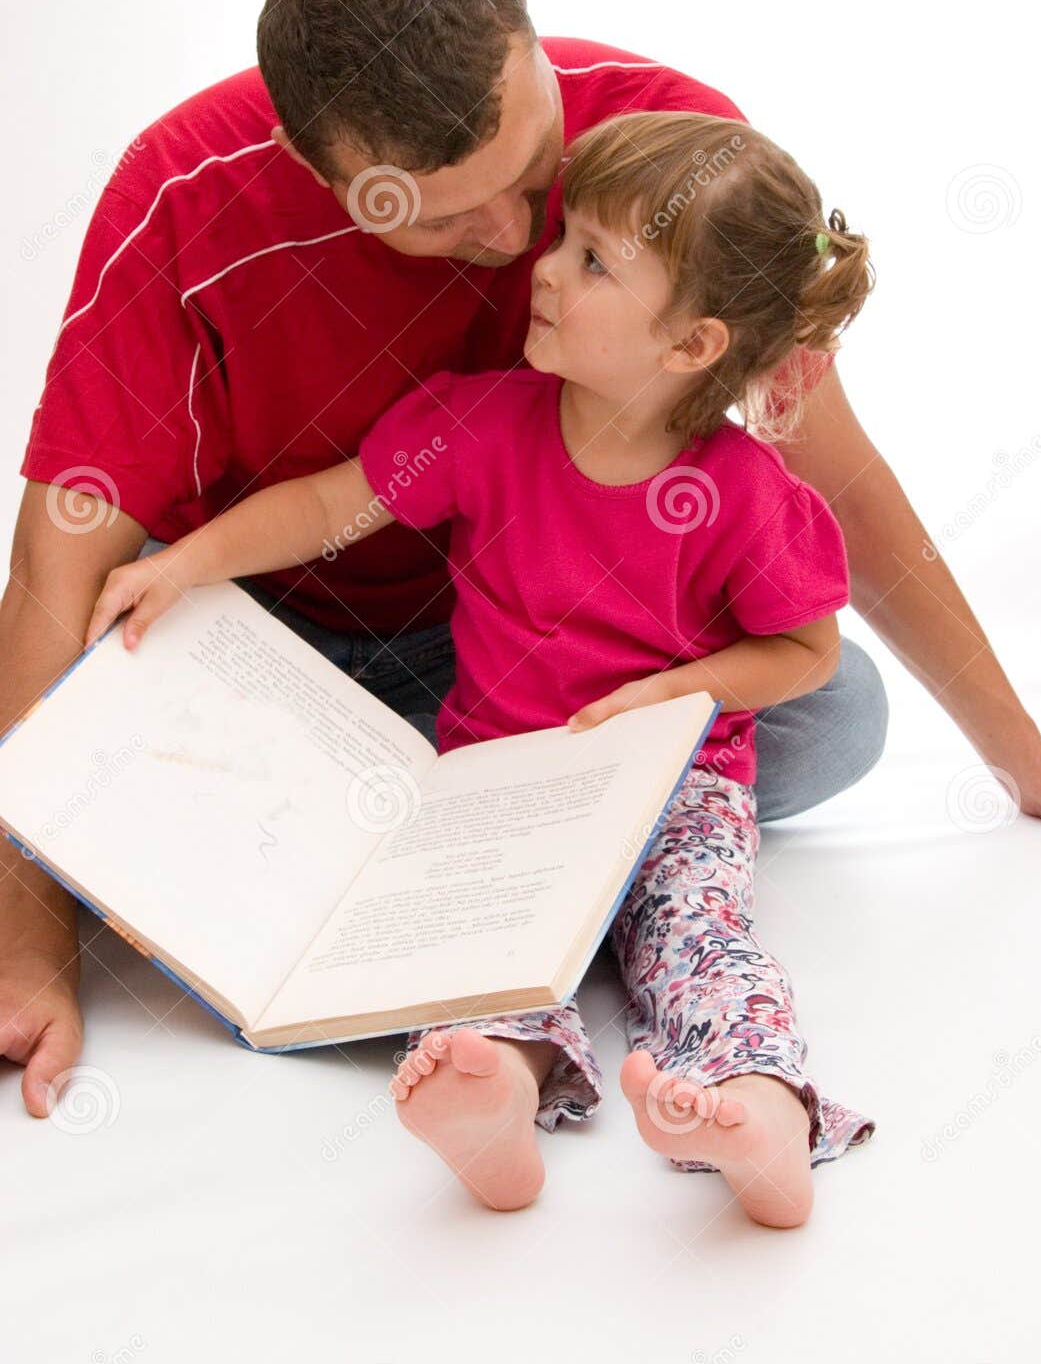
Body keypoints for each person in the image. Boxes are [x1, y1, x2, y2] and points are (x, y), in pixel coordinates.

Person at [3, 0, 1041, 1123]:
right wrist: (26, 942)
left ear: (519, 1)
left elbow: (835, 487)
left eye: (530, 178)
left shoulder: (670, 158)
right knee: (111, 638)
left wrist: (1023, 762)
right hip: (262, 634)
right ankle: (416, 851)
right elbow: (55, 566)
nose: (514, 243)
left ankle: (437, 846)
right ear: (310, 161)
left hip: (518, 661)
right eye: (441, 216)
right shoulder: (182, 188)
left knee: (836, 713)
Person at [86, 109, 878, 1224]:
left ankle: (760, 1113)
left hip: (675, 785)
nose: (541, 270)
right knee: (466, 954)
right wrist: (187, 562)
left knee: (701, 939)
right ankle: (498, 1091)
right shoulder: (479, 425)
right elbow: (330, 505)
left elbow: (807, 651)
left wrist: (681, 693)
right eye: (563, 238)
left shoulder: (742, 492)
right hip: (497, 786)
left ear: (691, 346)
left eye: (591, 261)